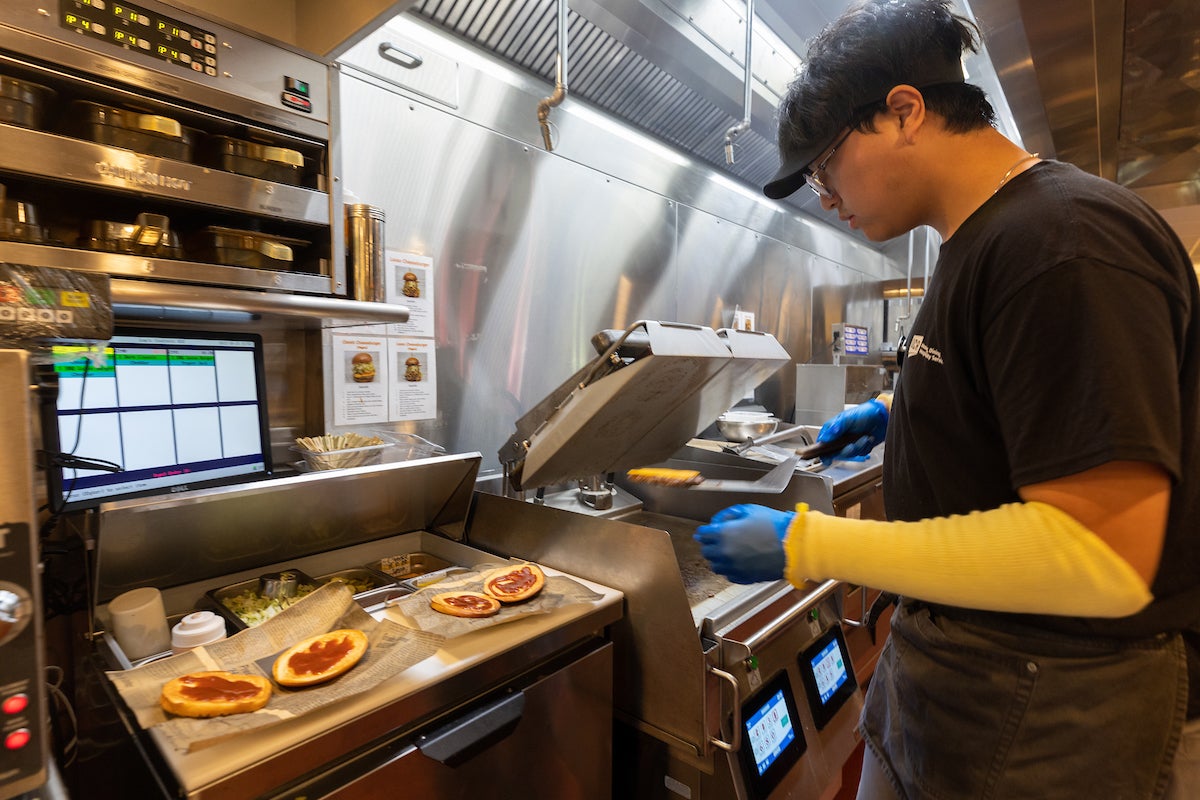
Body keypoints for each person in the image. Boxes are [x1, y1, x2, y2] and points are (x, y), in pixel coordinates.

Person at [692, 1, 1200, 798]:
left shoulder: (1062, 241)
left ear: (904, 111)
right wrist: (900, 415)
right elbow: (1013, 392)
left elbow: (1097, 554)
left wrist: (806, 544)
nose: (825, 197)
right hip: (961, 670)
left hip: (1048, 704)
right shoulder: (983, 239)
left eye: (825, 167)